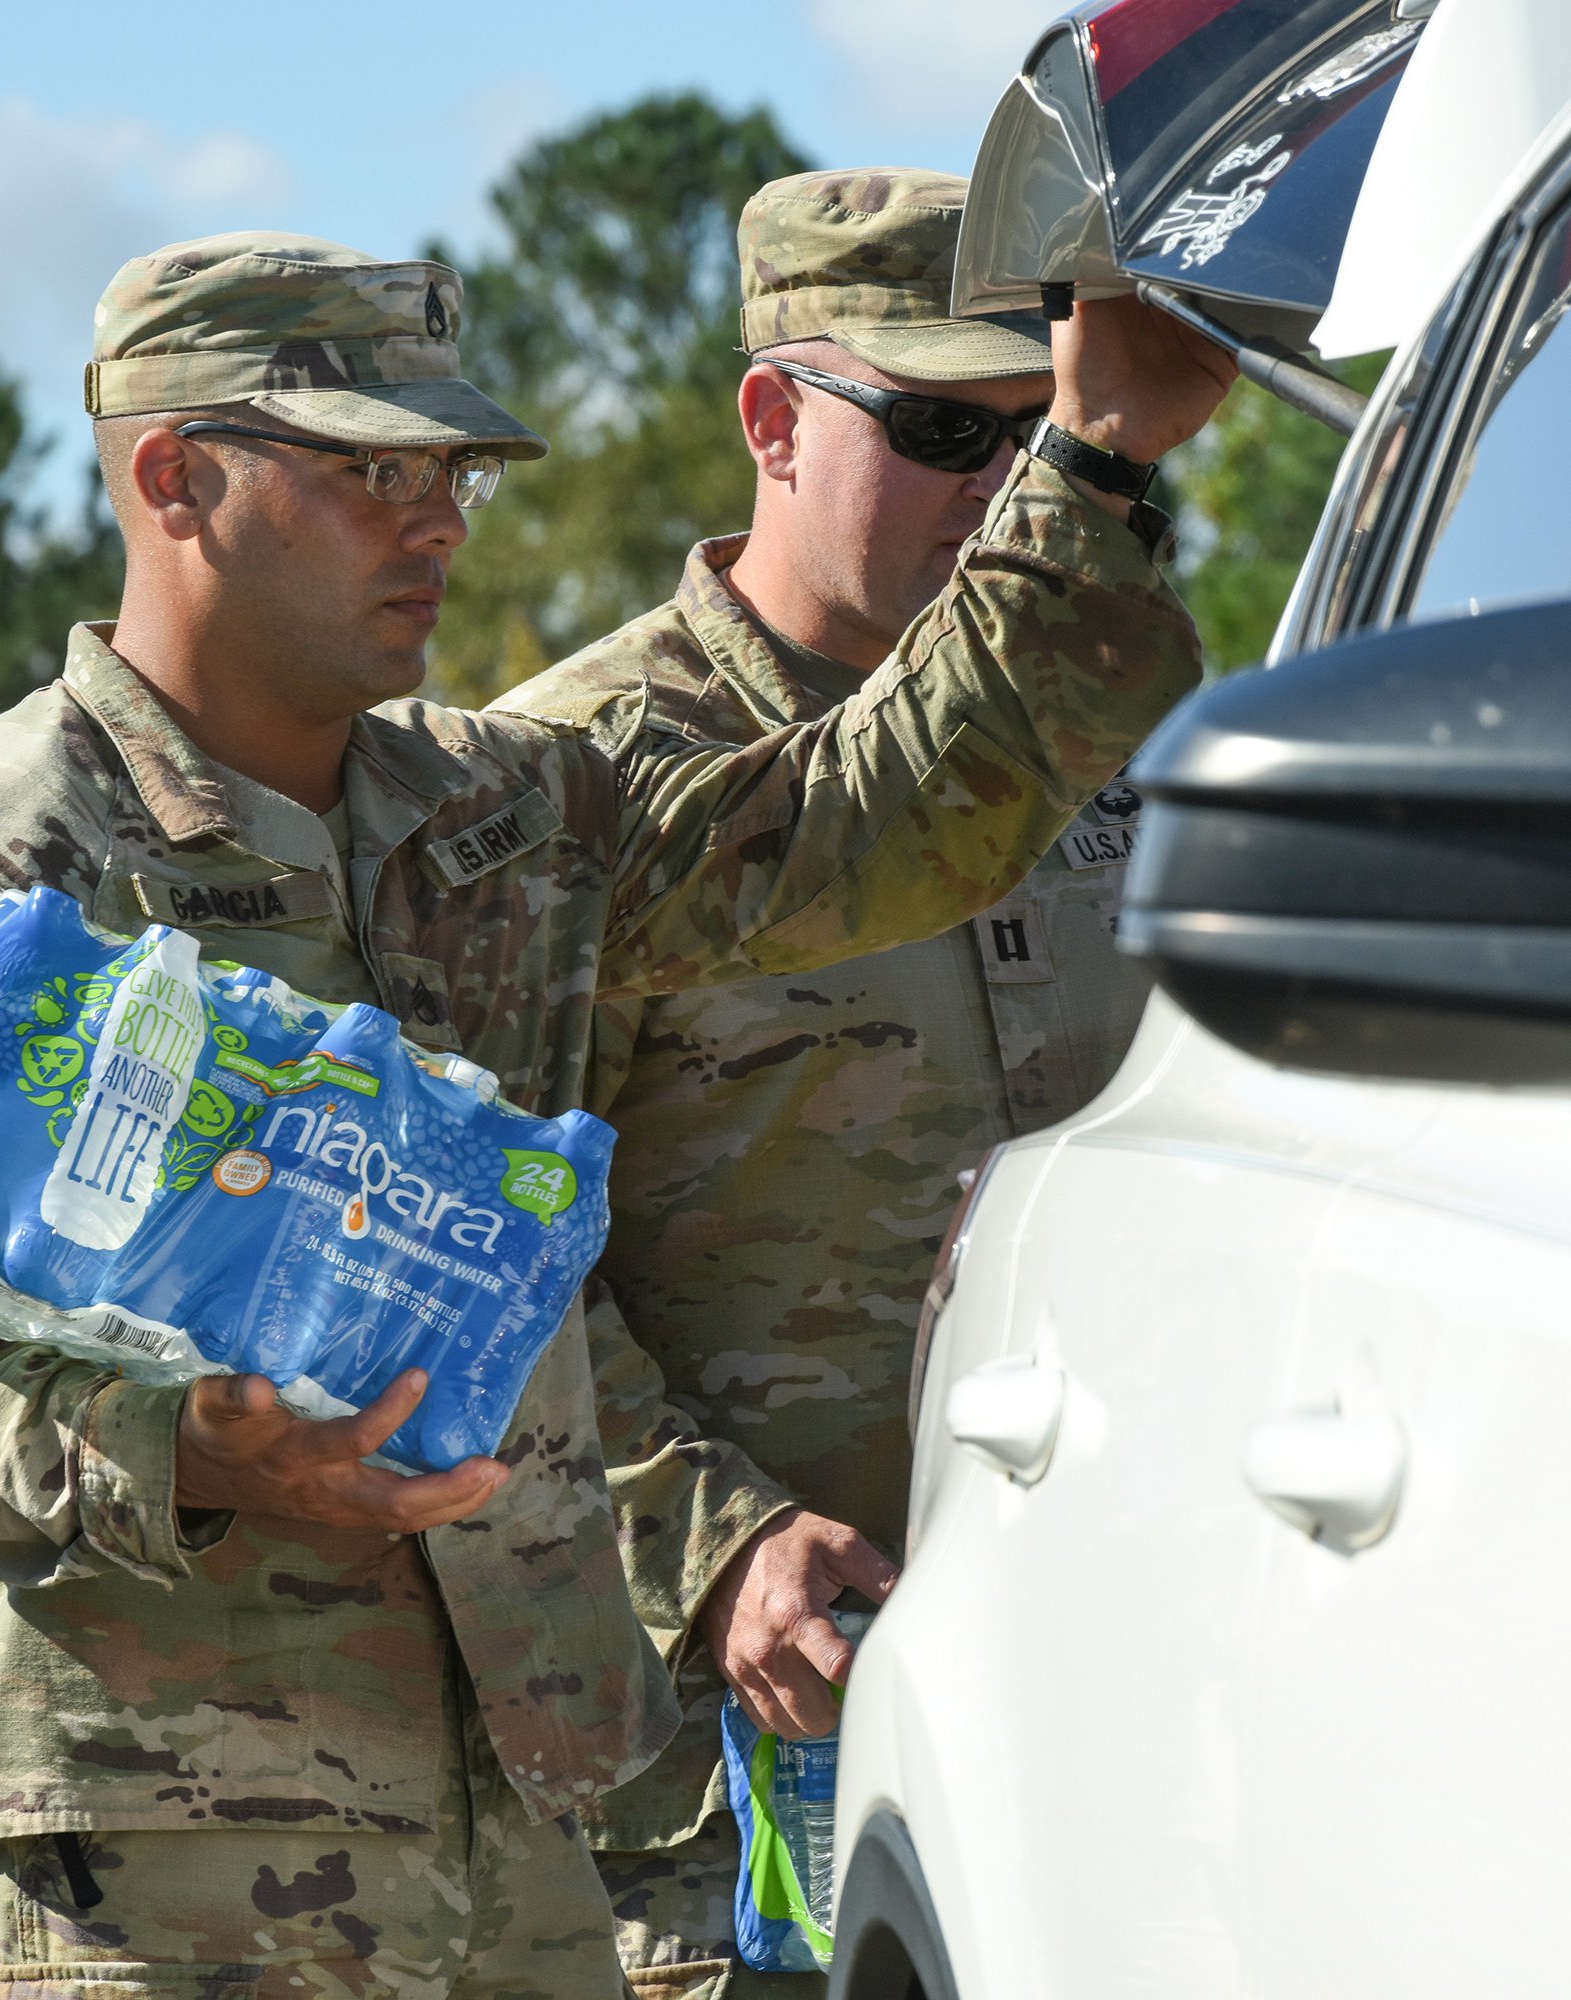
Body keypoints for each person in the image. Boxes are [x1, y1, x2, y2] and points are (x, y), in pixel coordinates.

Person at [0, 227, 1227, 1998]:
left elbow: (888, 822)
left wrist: (1094, 460)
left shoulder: (499, 813)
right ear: (172, 476)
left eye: (453, 473)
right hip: (152, 1841)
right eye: (372, 469)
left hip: (522, 1834)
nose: (436, 520)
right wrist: (185, 1451)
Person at [487, 168, 1166, 1998]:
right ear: (775, 419)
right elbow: (474, 1267)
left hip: (1122, 1706)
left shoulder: (1128, 738)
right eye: (946, 427)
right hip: (757, 1768)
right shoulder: (554, 790)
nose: (1005, 490)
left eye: (1041, 437)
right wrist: (719, 1545)